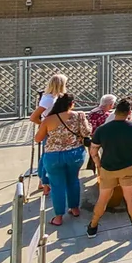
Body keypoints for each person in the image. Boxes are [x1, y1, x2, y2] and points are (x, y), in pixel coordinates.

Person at [87, 97, 132, 236]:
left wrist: (98, 165)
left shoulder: (102, 130)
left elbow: (94, 151)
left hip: (108, 168)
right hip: (129, 167)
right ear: (129, 113)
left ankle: (93, 226)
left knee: (103, 198)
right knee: (131, 198)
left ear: (115, 111)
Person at [34, 93, 91, 227]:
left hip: (54, 156)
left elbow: (38, 138)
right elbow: (87, 132)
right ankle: (75, 208)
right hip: (75, 153)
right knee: (73, 180)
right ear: (71, 104)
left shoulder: (49, 119)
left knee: (57, 185)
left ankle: (58, 216)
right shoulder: (79, 116)